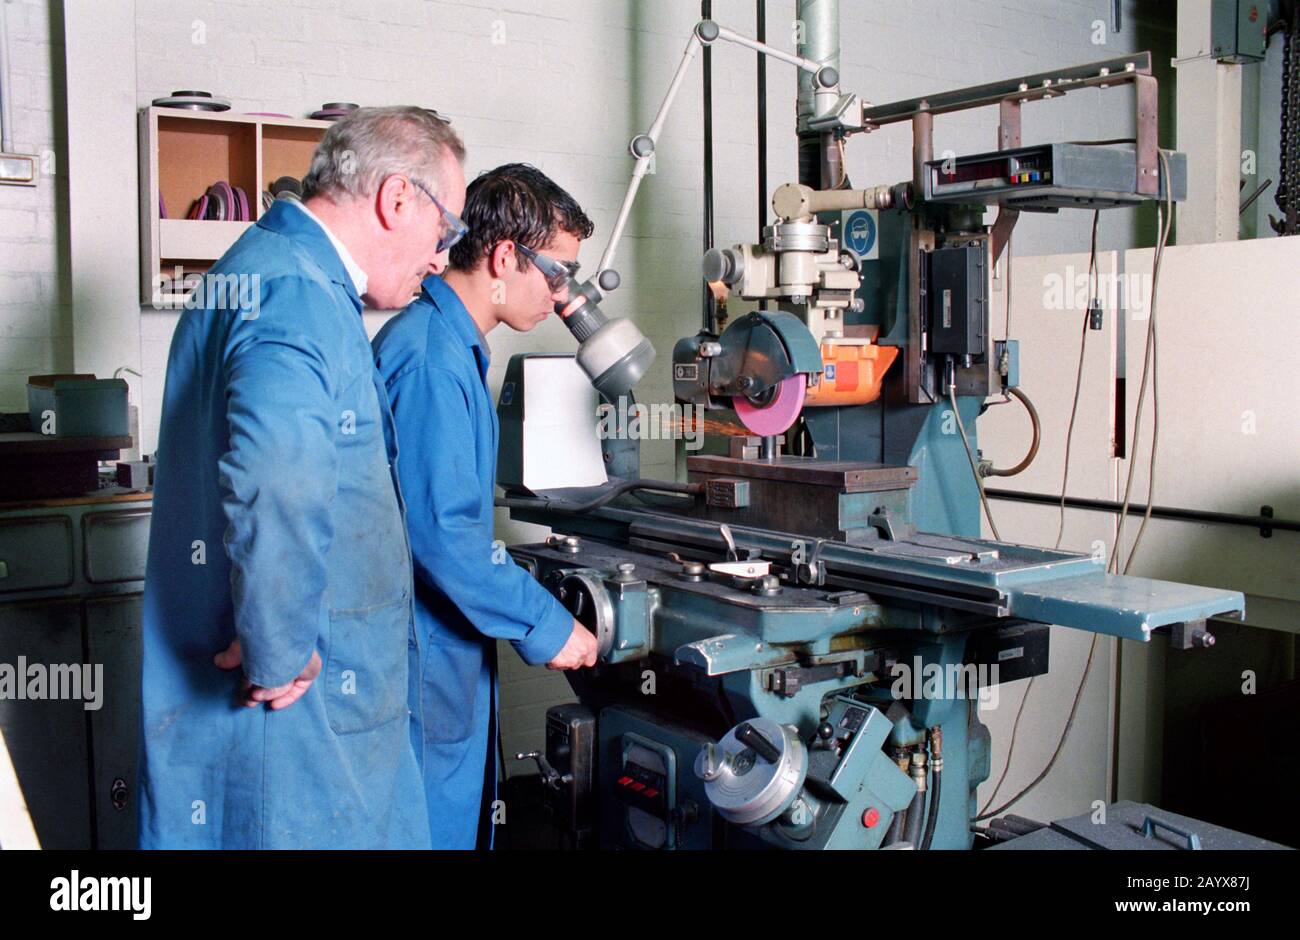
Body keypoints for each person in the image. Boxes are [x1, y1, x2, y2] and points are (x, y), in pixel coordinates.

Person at [139, 107, 467, 849]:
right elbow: (276, 475)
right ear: (397, 198)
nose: (440, 258)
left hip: (283, 716)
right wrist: (282, 649)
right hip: (298, 718)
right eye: (444, 230)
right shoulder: (296, 292)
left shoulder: (269, 268)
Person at [372, 163, 599, 849]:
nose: (563, 295)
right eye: (558, 272)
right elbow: (443, 540)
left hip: (442, 656)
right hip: (417, 658)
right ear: (505, 257)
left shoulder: (450, 347)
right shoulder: (431, 361)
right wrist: (548, 623)